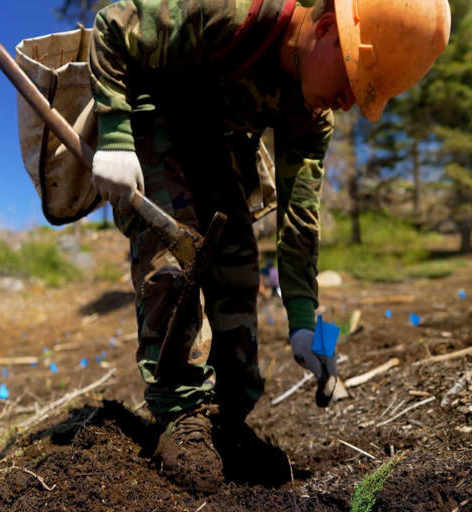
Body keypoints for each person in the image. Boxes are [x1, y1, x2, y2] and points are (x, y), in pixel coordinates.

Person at [88, 0, 450, 492]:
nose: (347, 102)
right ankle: (183, 416)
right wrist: (113, 134)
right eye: (351, 81)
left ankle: (227, 421)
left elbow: (300, 219)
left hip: (218, 148)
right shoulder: (234, 12)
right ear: (325, 29)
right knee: (172, 263)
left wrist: (304, 323)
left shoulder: (313, 113)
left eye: (363, 95)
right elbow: (112, 25)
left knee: (237, 266)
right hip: (154, 124)